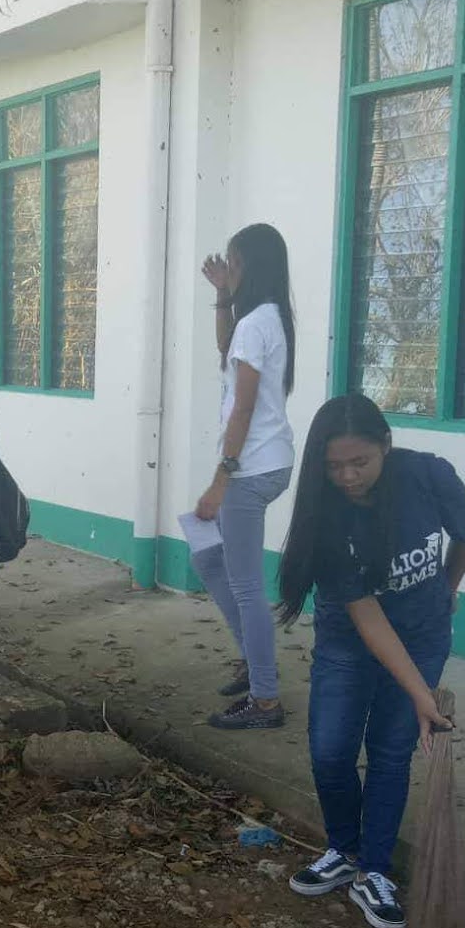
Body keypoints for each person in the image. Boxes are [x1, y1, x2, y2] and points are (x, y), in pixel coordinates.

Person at [273, 392, 465, 928]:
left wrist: (447, 588)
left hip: (423, 636)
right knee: (330, 750)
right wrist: (421, 695)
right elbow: (369, 620)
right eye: (333, 465)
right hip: (350, 642)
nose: (347, 476)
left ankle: (374, 869)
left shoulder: (428, 476)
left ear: (385, 445)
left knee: (390, 753)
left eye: (359, 461)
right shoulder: (327, 517)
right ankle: (342, 850)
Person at [195, 223, 298, 731]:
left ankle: (265, 701)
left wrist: (222, 478)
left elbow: (244, 406)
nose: (228, 271)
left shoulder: (257, 323)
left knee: (244, 586)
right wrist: (220, 295)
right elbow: (225, 346)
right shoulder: (265, 317)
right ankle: (255, 662)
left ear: (252, 268)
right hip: (269, 461)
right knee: (207, 557)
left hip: (249, 468)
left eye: (233, 265)